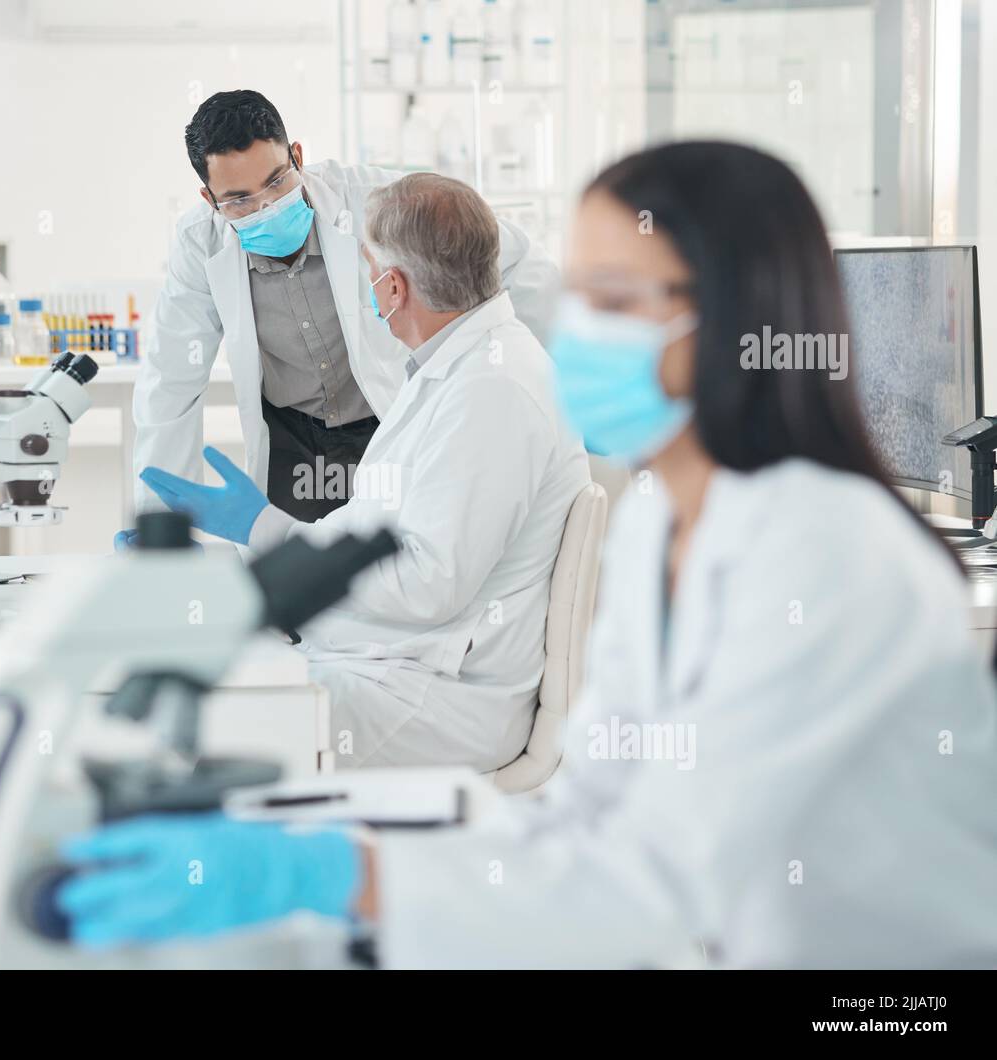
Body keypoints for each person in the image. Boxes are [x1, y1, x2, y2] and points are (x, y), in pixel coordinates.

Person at [57, 142, 997, 967]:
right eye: (578, 291)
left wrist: (346, 877)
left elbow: (652, 880)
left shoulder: (826, 558)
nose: (576, 324)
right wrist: (376, 875)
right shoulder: (664, 529)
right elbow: (588, 815)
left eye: (615, 299)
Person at [139, 173, 590, 770]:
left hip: (437, 698)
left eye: (369, 270)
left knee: (195, 729)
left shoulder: (493, 390)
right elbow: (370, 527)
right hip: (393, 662)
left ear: (394, 286)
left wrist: (267, 534)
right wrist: (268, 565)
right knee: (196, 681)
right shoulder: (450, 368)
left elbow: (428, 582)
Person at [130, 90, 561, 526]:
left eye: (277, 181)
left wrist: (565, 383)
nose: (266, 208)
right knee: (292, 573)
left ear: (297, 156)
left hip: (383, 419)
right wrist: (157, 528)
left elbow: (516, 261)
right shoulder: (199, 243)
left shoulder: (373, 199)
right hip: (290, 437)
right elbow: (171, 384)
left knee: (393, 558)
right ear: (210, 200)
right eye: (240, 200)